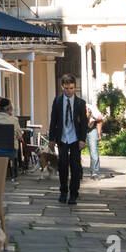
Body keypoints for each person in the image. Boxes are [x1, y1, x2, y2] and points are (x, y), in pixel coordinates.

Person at [48, 74, 89, 205]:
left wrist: (83, 139)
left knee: (76, 167)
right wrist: (51, 138)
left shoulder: (80, 103)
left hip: (75, 139)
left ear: (75, 88)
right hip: (62, 138)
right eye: (66, 88)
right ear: (62, 87)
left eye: (71, 88)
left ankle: (74, 194)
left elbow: (83, 123)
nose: (69, 91)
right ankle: (63, 192)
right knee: (63, 165)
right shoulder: (58, 101)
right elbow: (53, 120)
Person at [86, 96, 104, 179]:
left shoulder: (95, 113)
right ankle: (77, 171)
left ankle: (95, 172)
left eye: (87, 117)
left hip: (92, 129)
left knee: (93, 150)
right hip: (79, 128)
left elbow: (100, 121)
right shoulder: (76, 111)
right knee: (75, 150)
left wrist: (99, 134)